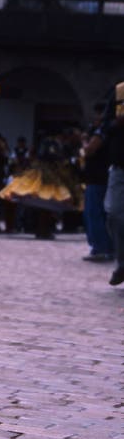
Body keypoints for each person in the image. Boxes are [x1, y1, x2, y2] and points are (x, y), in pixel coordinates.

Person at [80, 103, 113, 262]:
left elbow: (89, 150)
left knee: (94, 213)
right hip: (105, 177)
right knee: (105, 214)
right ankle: (108, 248)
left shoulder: (103, 131)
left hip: (97, 178)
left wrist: (84, 141)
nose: (95, 118)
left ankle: (99, 248)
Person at [101, 81, 124, 286]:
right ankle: (122, 262)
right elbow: (104, 125)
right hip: (120, 167)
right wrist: (116, 123)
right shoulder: (119, 91)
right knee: (115, 215)